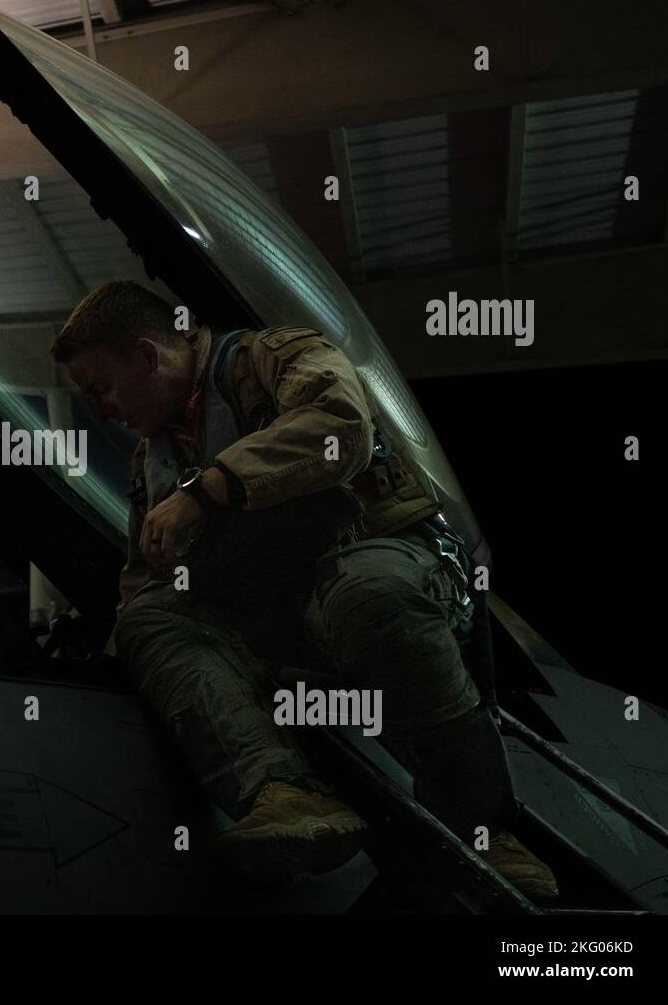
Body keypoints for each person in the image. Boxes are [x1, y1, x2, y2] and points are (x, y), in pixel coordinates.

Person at [51, 280, 558, 901]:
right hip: (281, 618)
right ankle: (284, 795)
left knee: (368, 596)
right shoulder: (151, 463)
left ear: (148, 355)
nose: (102, 409)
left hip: (384, 555)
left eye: (100, 387)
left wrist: (209, 488)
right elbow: (144, 581)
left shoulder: (276, 358)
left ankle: (483, 835)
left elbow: (338, 425)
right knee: (149, 620)